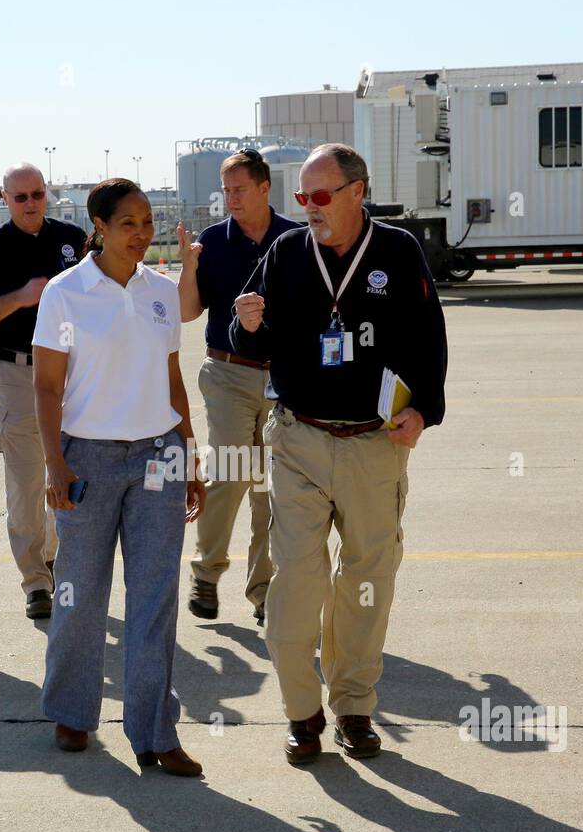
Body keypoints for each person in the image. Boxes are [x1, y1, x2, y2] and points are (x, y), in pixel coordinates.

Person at [232, 144, 448, 765]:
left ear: (358, 192)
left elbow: (428, 337)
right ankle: (302, 714)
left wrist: (424, 409)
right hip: (299, 438)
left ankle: (353, 706)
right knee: (296, 580)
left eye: (321, 196)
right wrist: (247, 325)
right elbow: (255, 335)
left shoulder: (399, 252)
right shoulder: (285, 253)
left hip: (374, 444)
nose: (309, 208)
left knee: (366, 579)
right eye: (302, 197)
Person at [33, 179, 206, 778]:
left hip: (159, 455)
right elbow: (47, 387)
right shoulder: (64, 293)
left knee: (155, 599)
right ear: (99, 227)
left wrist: (189, 453)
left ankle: (155, 732)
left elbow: (173, 378)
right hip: (88, 460)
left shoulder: (162, 293)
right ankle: (74, 713)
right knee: (80, 593)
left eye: (147, 220)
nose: (142, 232)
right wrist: (56, 463)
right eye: (128, 222)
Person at [177, 147, 298, 627]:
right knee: (230, 468)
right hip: (227, 373)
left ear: (265, 188)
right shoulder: (212, 242)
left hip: (282, 377)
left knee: (272, 486)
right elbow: (188, 312)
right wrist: (188, 267)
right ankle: (207, 572)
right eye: (225, 190)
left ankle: (265, 590)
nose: (230, 198)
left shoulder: (295, 239)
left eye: (239, 189)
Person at [0, 164, 85, 621]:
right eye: (20, 197)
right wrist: (20, 296)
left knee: (69, 468)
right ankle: (35, 580)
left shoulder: (72, 238)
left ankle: (55, 559)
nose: (30, 203)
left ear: (47, 194)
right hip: (17, 373)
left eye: (37, 194)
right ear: (4, 198)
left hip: (74, 373)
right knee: (27, 479)